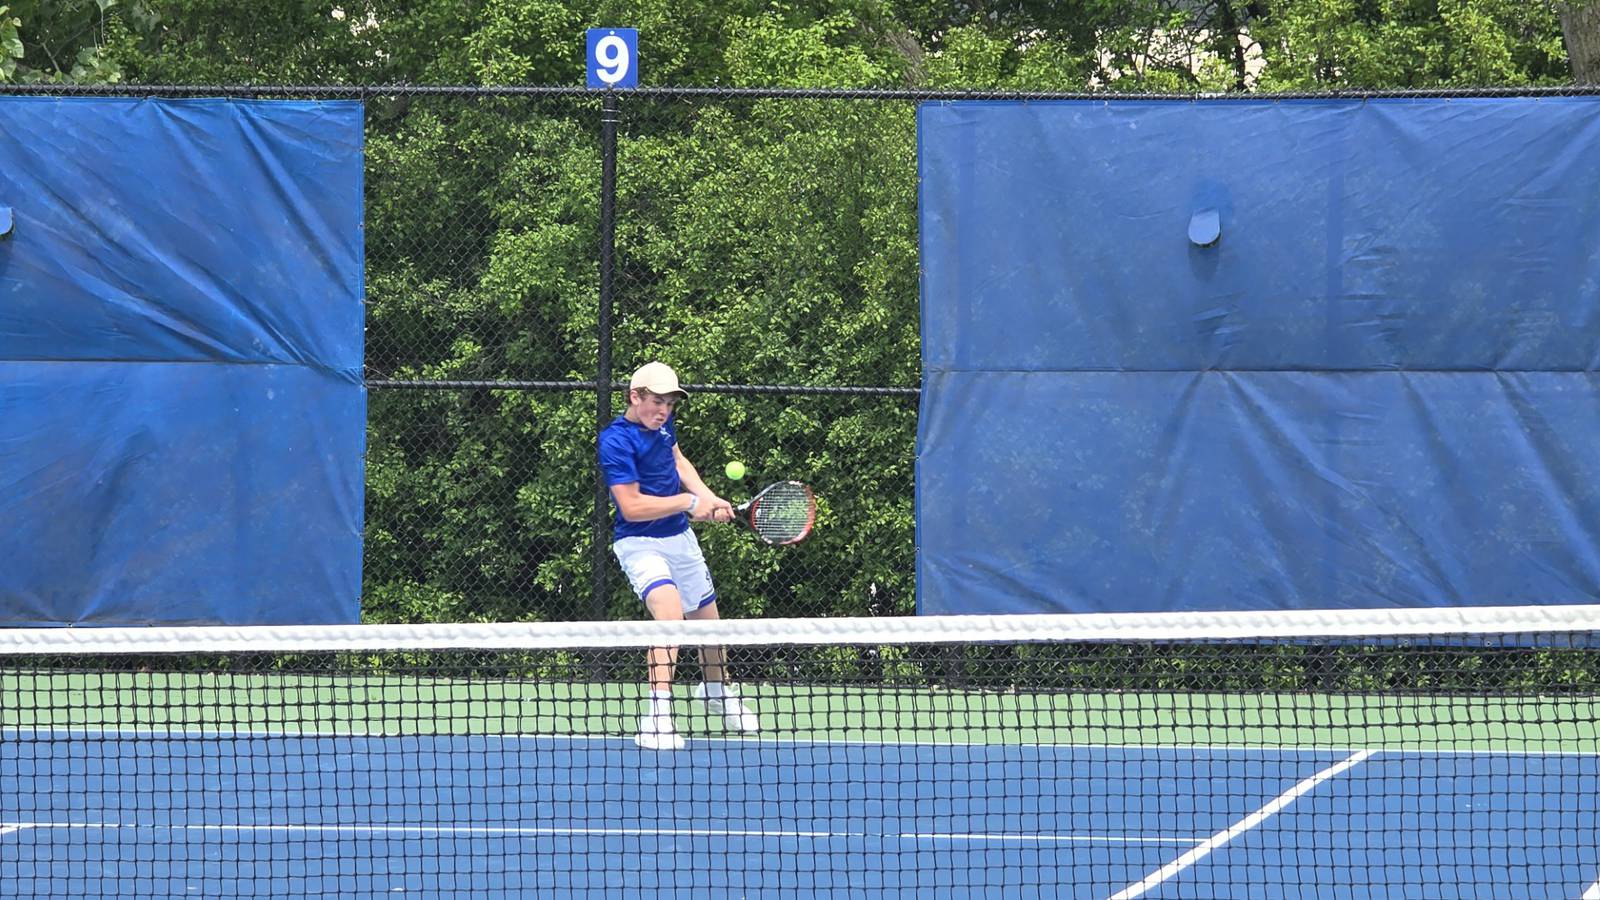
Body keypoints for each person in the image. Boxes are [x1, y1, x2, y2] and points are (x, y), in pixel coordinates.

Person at [599, 361, 761, 750]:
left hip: (680, 539)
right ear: (634, 397)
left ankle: (716, 691)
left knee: (710, 627)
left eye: (669, 404)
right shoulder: (615, 441)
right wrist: (688, 502)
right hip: (639, 543)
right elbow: (632, 507)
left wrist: (707, 497)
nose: (663, 411)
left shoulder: (663, 426)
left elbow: (678, 461)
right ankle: (657, 716)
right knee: (670, 617)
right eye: (656, 402)